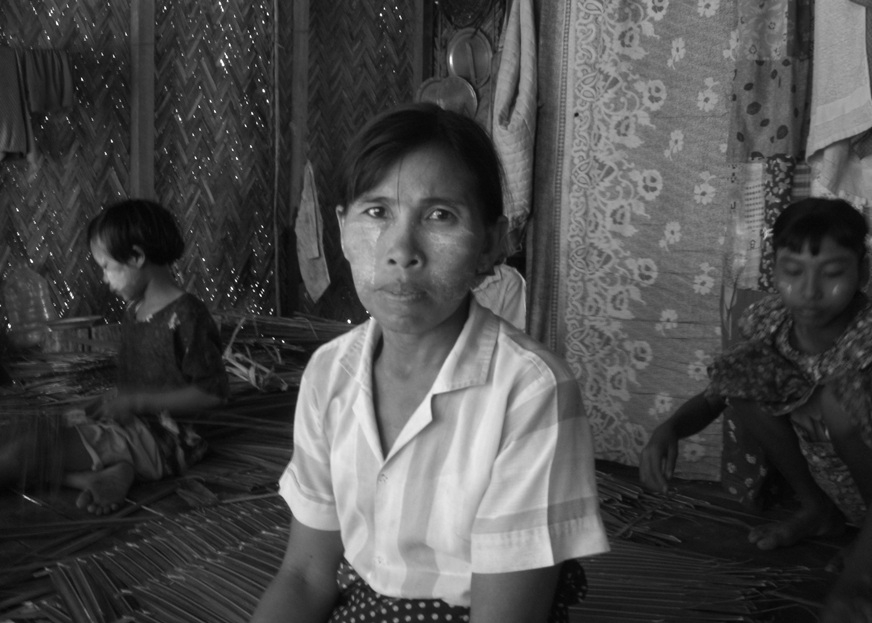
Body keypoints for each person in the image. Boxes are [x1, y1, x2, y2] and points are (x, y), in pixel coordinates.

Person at [250, 103, 609, 623]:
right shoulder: (329, 375)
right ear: (342, 230)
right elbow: (305, 577)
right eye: (376, 213)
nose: (401, 250)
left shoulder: (530, 393)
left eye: (440, 215)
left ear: (491, 244)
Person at [639, 197, 872, 623]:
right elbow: (719, 393)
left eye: (834, 273)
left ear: (864, 270)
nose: (810, 291)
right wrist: (669, 428)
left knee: (840, 403)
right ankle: (816, 511)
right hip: (834, 484)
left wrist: (854, 587)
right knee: (743, 382)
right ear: (774, 268)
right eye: (793, 272)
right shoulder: (772, 321)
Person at [0, 199, 229, 515]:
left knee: (21, 455)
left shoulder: (187, 316)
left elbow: (212, 394)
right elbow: (141, 380)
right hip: (130, 425)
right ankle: (107, 471)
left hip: (171, 440)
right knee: (26, 434)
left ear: (136, 256)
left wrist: (137, 402)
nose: (105, 279)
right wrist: (115, 400)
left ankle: (110, 468)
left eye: (107, 267)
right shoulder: (135, 311)